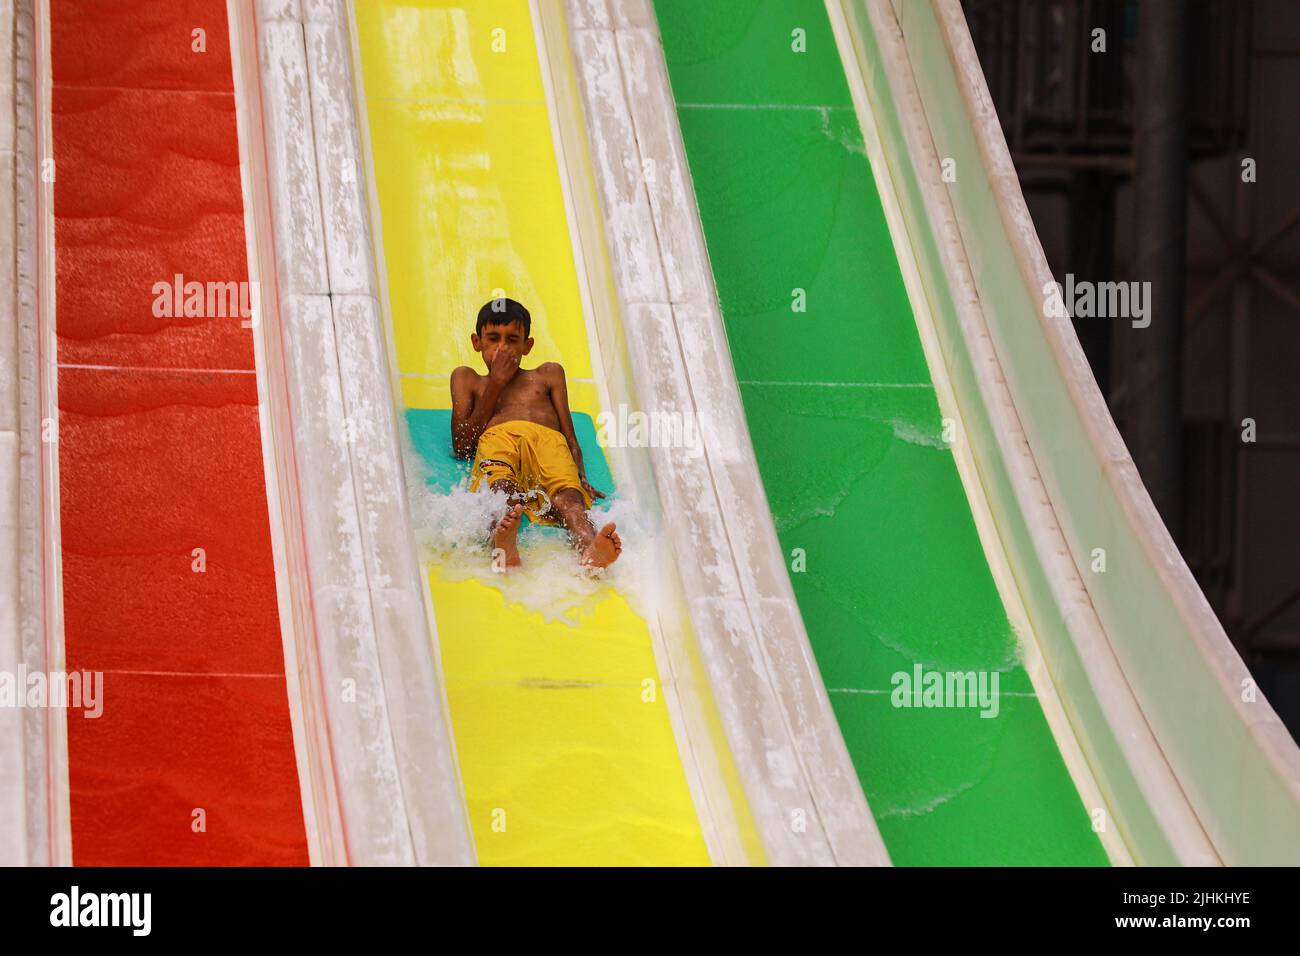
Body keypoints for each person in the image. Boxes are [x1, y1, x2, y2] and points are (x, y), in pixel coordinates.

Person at [449, 297, 622, 571]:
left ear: (527, 346)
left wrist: (580, 476)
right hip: (499, 439)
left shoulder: (548, 374)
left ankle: (590, 550)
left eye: (512, 340)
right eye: (493, 338)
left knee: (571, 500)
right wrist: (495, 382)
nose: (502, 348)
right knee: (502, 492)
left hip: (549, 442)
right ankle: (502, 549)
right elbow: (462, 445)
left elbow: (570, 436)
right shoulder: (468, 378)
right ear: (476, 341)